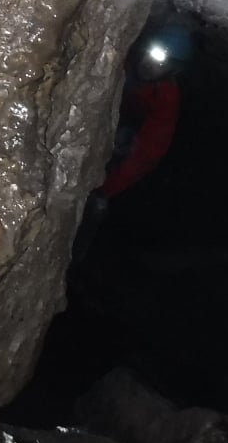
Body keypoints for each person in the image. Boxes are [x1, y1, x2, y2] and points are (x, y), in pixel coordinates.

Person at [69, 23, 190, 264]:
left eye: (163, 63)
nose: (151, 64)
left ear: (173, 70)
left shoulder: (166, 97)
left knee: (97, 206)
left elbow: (149, 151)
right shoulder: (119, 56)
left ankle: (75, 256)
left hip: (124, 132)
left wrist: (107, 189)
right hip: (103, 116)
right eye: (152, 54)